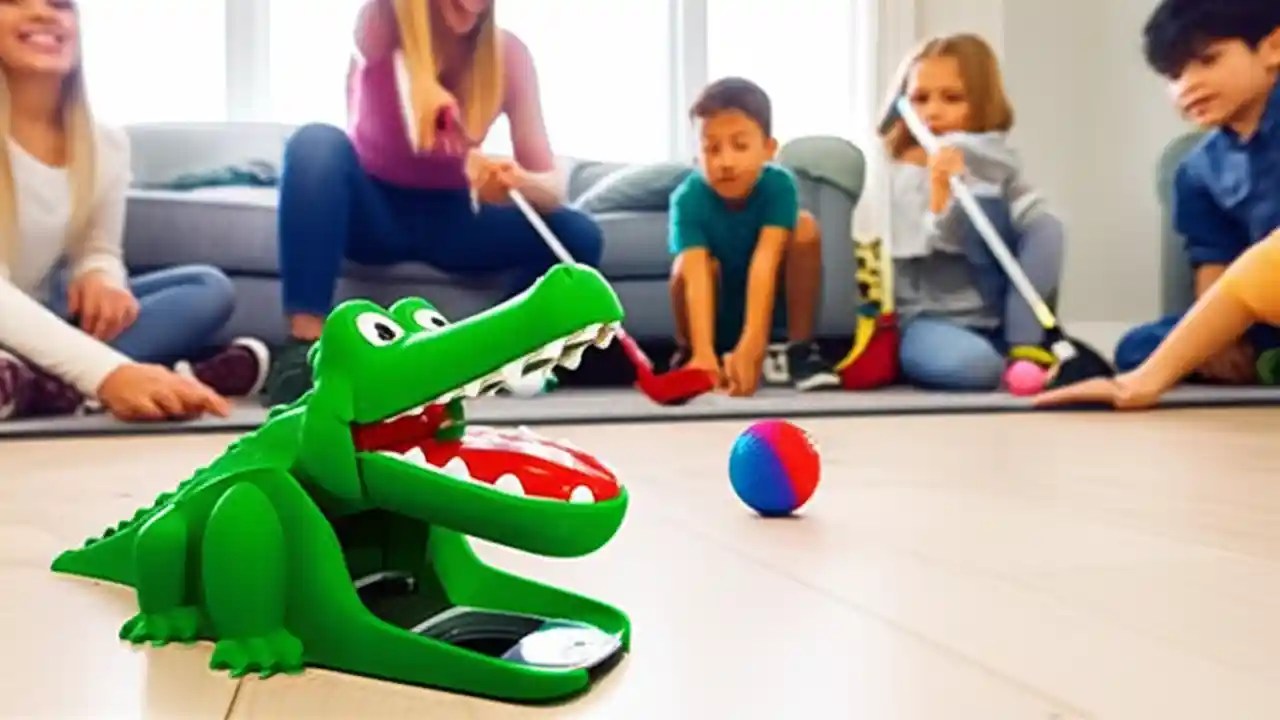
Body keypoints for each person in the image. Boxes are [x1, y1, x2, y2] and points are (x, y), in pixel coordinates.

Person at [265, 0, 605, 405]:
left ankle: (500, 355)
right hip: (375, 214)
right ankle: (304, 353)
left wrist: (517, 181)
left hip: (456, 219)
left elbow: (551, 186)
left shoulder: (509, 54)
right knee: (315, 141)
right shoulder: (380, 22)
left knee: (579, 234)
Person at [0, 0, 268, 423]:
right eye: (15, 1)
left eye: (60, 5)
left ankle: (36, 384)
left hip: (43, 318)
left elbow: (99, 249)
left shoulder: (106, 144)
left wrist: (101, 279)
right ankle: (164, 377)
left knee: (206, 287)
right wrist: (108, 373)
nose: (43, 14)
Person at [877, 33, 1067, 393]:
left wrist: (1000, 191)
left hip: (998, 319)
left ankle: (1024, 342)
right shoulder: (902, 174)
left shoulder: (994, 162)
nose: (932, 111)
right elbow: (932, 244)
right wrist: (940, 192)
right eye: (919, 99)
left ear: (981, 102)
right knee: (978, 367)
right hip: (930, 323)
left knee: (1048, 227)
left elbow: (1034, 225)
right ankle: (1000, 361)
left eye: (951, 98)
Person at [1113, 0, 1280, 381]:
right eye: (1174, 76)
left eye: (1208, 61)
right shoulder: (1196, 170)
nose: (1188, 85)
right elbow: (1214, 260)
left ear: (1273, 48)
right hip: (1263, 317)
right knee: (1137, 347)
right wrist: (1217, 340)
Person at [666, 77, 838, 396]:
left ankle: (801, 351)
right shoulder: (687, 198)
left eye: (740, 146)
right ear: (696, 156)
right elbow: (696, 275)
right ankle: (693, 353)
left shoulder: (779, 185)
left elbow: (765, 261)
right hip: (713, 307)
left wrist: (753, 344)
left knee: (805, 227)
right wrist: (703, 351)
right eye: (711, 148)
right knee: (682, 267)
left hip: (763, 308)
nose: (726, 161)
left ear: (769, 150)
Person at [1037, 228, 1280, 410]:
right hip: (1255, 329)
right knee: (1137, 346)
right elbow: (1244, 286)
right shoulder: (1201, 173)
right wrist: (1139, 382)